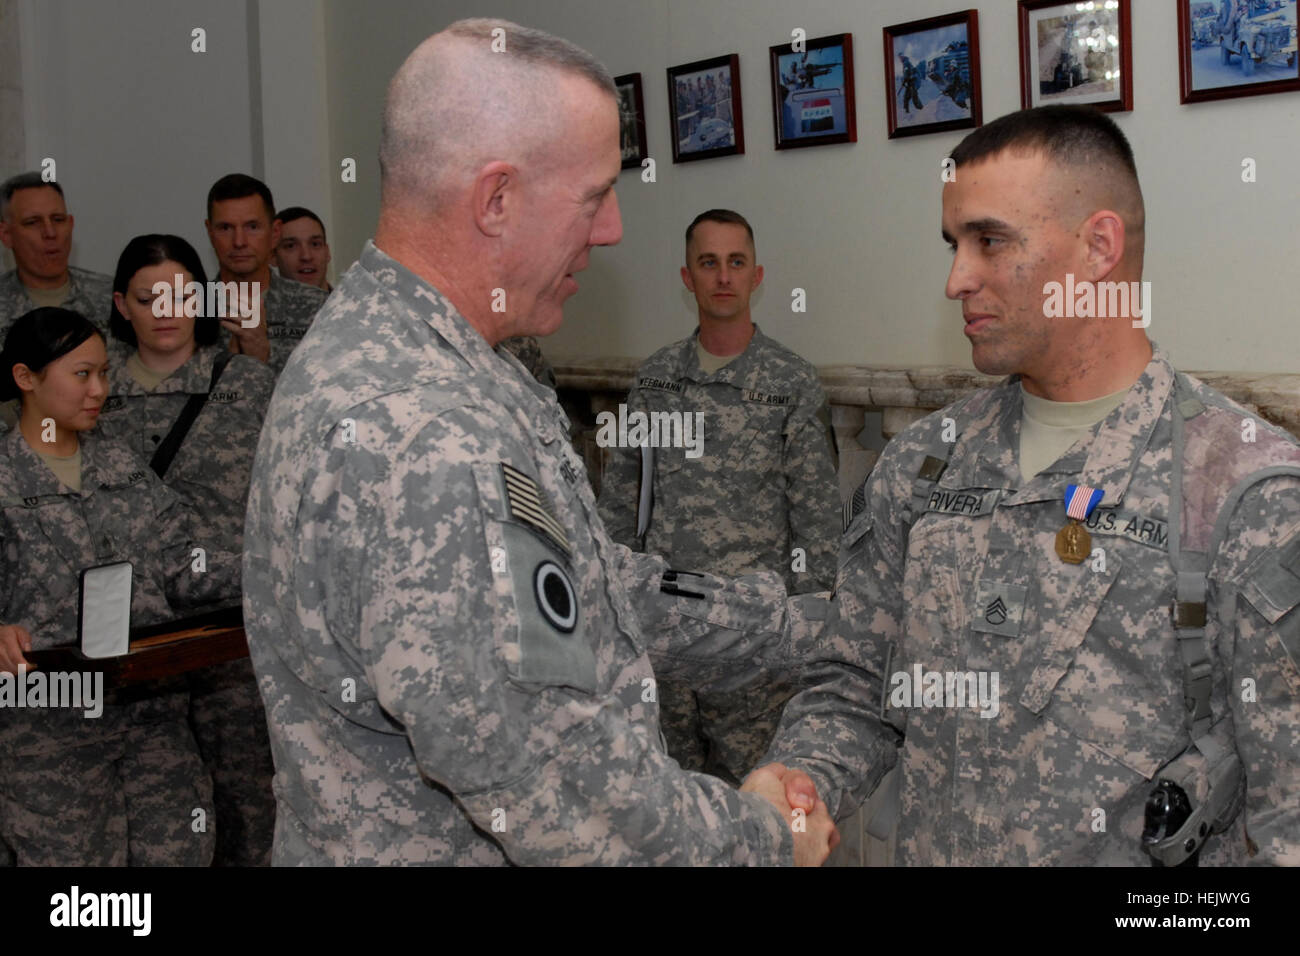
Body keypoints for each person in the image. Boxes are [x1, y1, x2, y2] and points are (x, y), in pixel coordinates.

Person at [242, 17, 837, 866]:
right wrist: (769, 837)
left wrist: (801, 627)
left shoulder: (417, 355)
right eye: (595, 196)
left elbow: (591, 586)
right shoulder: (426, 430)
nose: (613, 231)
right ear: (497, 198)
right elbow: (564, 796)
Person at [764, 105, 1300, 864]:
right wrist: (798, 781)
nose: (956, 279)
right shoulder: (925, 464)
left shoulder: (1246, 493)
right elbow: (854, 686)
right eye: (953, 245)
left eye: (990, 241)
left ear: (1099, 247)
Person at [598, 209, 840, 784]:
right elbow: (621, 501)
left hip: (751, 644)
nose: (723, 277)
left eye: (736, 262)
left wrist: (809, 632)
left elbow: (818, 519)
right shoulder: (656, 380)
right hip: (663, 635)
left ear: (757, 275)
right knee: (667, 807)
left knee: (758, 807)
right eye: (709, 263)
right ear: (688, 277)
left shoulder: (790, 381)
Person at [0, 308, 239, 865]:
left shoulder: (122, 464)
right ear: (25, 378)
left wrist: (271, 567)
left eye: (105, 373)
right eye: (82, 374)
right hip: (50, 732)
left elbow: (180, 565)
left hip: (151, 717)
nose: (100, 389)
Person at [100, 234, 278, 865]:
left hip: (230, 635)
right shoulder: (89, 394)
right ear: (123, 306)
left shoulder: (248, 384)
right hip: (135, 642)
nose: (166, 311)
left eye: (180, 294)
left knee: (249, 804)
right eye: (150, 298)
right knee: (152, 825)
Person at [204, 174, 327, 376]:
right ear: (210, 232)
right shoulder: (188, 311)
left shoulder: (319, 307)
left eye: (252, 227)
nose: (239, 241)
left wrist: (264, 358)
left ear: (275, 232)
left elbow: (334, 396)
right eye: (225, 228)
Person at [0, 173, 112, 342]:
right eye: (33, 222)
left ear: (71, 224)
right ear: (6, 234)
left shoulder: (113, 298)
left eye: (58, 220)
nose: (50, 233)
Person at [273, 207, 333, 293]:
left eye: (315, 244)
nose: (306, 256)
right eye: (291, 246)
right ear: (273, 256)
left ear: (327, 252)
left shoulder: (355, 305)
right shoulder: (254, 305)